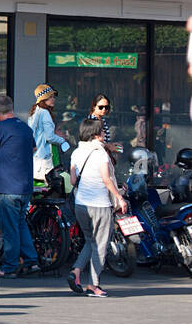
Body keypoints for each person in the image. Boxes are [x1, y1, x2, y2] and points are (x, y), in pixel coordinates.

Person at [68, 117, 128, 298]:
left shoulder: (76, 152)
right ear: (95, 134)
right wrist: (119, 197)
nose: (104, 134)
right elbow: (106, 179)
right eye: (102, 131)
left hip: (81, 204)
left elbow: (72, 180)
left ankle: (76, 271)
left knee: (90, 241)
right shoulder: (101, 153)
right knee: (100, 245)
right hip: (100, 205)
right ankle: (93, 285)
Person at [0, 94, 39, 278]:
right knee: (20, 224)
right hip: (25, 185)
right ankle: (31, 260)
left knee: (10, 228)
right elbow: (33, 148)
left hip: (7, 186)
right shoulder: (25, 127)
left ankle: (9, 266)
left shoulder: (0, 128)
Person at [29, 84, 70, 178]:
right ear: (43, 99)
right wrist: (62, 141)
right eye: (50, 97)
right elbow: (50, 137)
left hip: (36, 157)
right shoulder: (45, 113)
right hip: (45, 158)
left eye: (53, 96)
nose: (53, 99)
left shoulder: (35, 111)